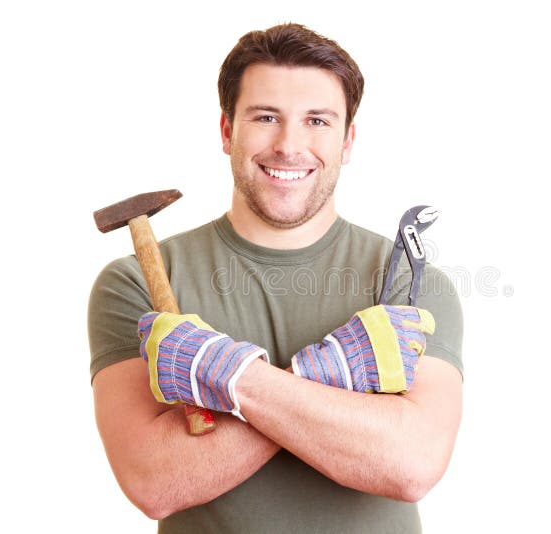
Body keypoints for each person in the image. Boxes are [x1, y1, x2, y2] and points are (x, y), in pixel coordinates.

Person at [88, 22, 464, 533]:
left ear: (348, 139)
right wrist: (344, 376)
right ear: (227, 130)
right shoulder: (136, 285)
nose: (289, 145)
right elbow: (155, 481)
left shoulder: (406, 280)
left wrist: (225, 375)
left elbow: (411, 463)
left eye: (317, 120)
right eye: (266, 117)